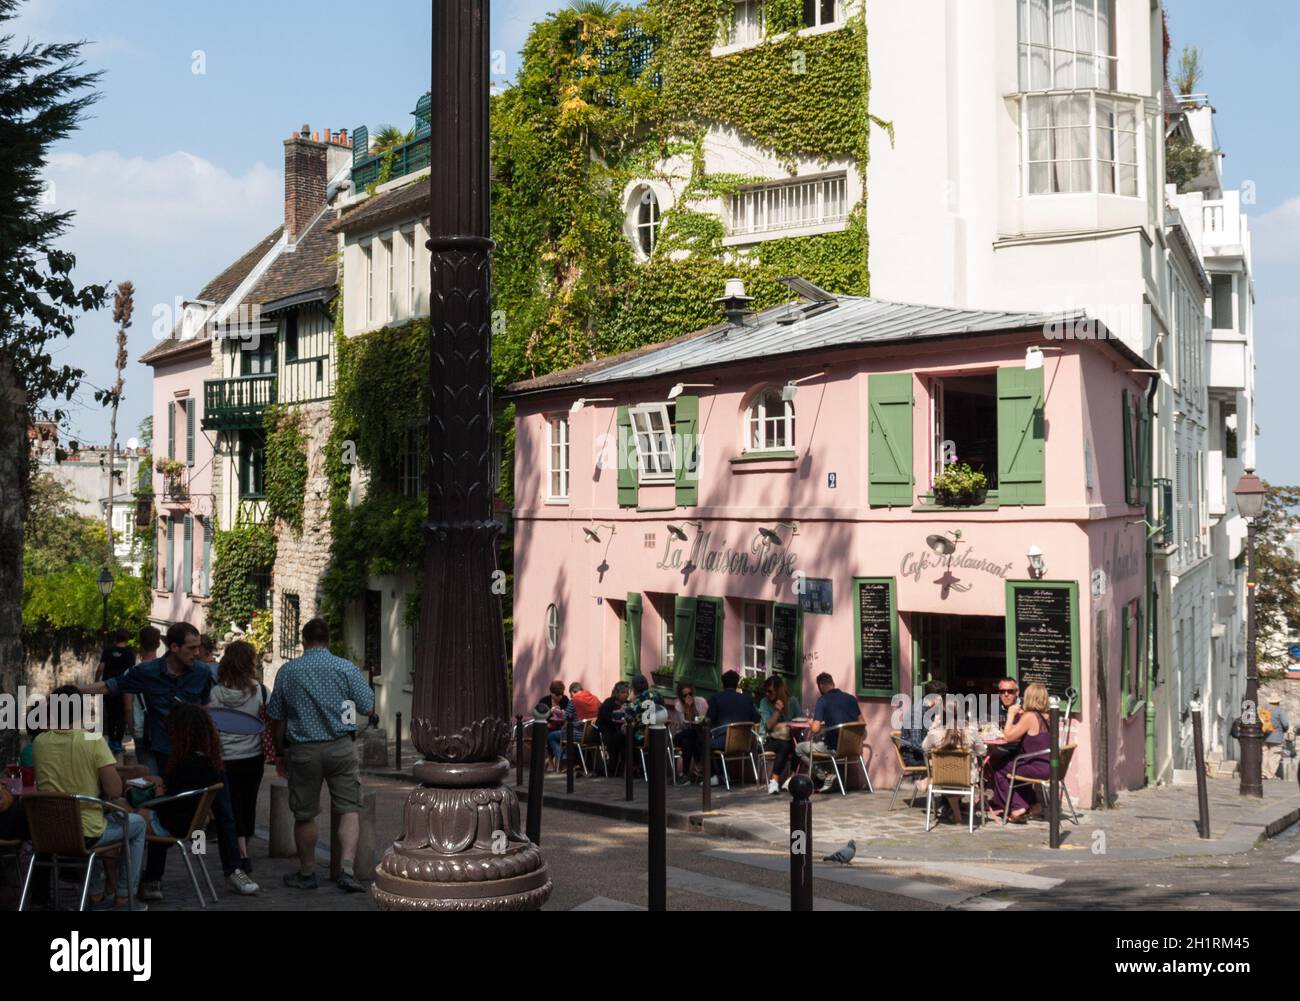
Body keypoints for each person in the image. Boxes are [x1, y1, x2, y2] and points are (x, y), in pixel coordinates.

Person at [268, 618, 374, 893]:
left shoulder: (288, 672)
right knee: (350, 808)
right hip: (341, 747)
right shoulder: (345, 668)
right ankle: (347, 870)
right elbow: (367, 705)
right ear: (328, 639)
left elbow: (277, 718)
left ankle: (307, 872)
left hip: (303, 750)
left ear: (303, 641)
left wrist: (280, 752)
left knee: (304, 814)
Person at [32, 685, 147, 911]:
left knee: (88, 819)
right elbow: (114, 790)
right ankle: (124, 897)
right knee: (138, 824)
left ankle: (95, 895)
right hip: (86, 832)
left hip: (50, 832)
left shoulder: (40, 742)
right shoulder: (92, 739)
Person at [137, 703, 248, 900]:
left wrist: (156, 791)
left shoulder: (185, 763)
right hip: (193, 825)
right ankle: (233, 870)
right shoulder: (212, 763)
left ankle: (134, 884)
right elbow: (224, 816)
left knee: (130, 815)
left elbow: (171, 801)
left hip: (176, 823)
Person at [208, 640, 266, 873]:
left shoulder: (215, 692)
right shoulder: (260, 691)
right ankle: (244, 850)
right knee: (248, 803)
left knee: (230, 806)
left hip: (225, 756)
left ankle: (239, 851)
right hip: (253, 756)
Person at [988, 682, 1051, 821]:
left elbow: (1008, 736)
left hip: (1036, 767)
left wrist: (1011, 714)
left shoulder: (1030, 717)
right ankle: (1034, 805)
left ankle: (1018, 807)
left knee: (1000, 770)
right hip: (1048, 765)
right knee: (1011, 765)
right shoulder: (1047, 716)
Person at [796, 672, 863, 793]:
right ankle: (831, 777)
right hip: (852, 748)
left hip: (833, 748)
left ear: (821, 685)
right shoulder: (851, 699)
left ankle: (826, 775)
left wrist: (811, 722)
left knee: (799, 748)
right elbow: (862, 723)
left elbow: (815, 729)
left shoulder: (823, 700)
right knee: (822, 741)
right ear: (833, 683)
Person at [921, 697, 986, 824]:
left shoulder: (935, 733)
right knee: (957, 776)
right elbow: (982, 751)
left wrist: (933, 726)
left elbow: (924, 748)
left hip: (942, 776)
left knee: (949, 776)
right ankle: (956, 811)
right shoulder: (971, 732)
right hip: (967, 777)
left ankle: (955, 812)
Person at [705, 670, 760, 788]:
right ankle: (723, 775)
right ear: (737, 684)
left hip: (723, 742)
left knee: (703, 741)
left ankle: (715, 774)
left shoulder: (716, 698)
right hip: (745, 742)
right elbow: (756, 718)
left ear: (722, 684)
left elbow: (709, 719)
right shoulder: (747, 699)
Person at [759, 675, 802, 794]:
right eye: (766, 691)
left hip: (788, 738)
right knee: (785, 745)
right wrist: (777, 711)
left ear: (778, 690)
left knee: (800, 745)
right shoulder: (764, 702)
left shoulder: (792, 701)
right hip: (768, 740)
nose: (767, 694)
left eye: (770, 691)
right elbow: (768, 726)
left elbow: (800, 719)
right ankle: (774, 780)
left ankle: (791, 778)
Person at [95, 629, 135, 757]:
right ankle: (118, 742)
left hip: (108, 687)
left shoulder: (108, 651)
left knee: (111, 714)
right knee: (122, 715)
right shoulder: (129, 653)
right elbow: (131, 671)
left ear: (115, 639)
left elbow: (101, 668)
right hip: (123, 687)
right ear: (127, 639)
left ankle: (111, 741)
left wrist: (96, 682)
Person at [667, 682, 709, 782]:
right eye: (685, 695)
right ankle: (699, 766)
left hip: (694, 736)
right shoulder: (679, 705)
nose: (688, 697)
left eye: (690, 694)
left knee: (688, 741)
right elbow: (684, 726)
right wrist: (688, 709)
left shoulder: (701, 702)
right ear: (681, 696)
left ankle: (685, 775)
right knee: (691, 733)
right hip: (680, 735)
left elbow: (705, 720)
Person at [132, 626, 161, 752]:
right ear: (159, 644)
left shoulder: (132, 672)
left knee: (146, 770)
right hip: (162, 729)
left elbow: (128, 707)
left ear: (140, 644)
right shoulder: (166, 670)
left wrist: (131, 728)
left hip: (141, 729)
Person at [596, 682, 631, 777]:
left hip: (620, 731)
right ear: (617, 693)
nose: (626, 694)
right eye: (623, 692)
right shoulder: (608, 702)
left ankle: (623, 767)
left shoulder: (628, 704)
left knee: (624, 739)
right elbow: (605, 717)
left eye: (628, 692)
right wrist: (617, 712)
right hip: (608, 731)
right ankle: (613, 767)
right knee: (615, 739)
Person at [1262, 695, 1291, 779]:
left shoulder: (1263, 710)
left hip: (1264, 736)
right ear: (1278, 702)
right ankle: (1269, 774)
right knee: (1274, 756)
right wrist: (1285, 729)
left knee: (1264, 755)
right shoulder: (1280, 711)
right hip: (1277, 737)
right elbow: (1285, 724)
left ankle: (1263, 773)